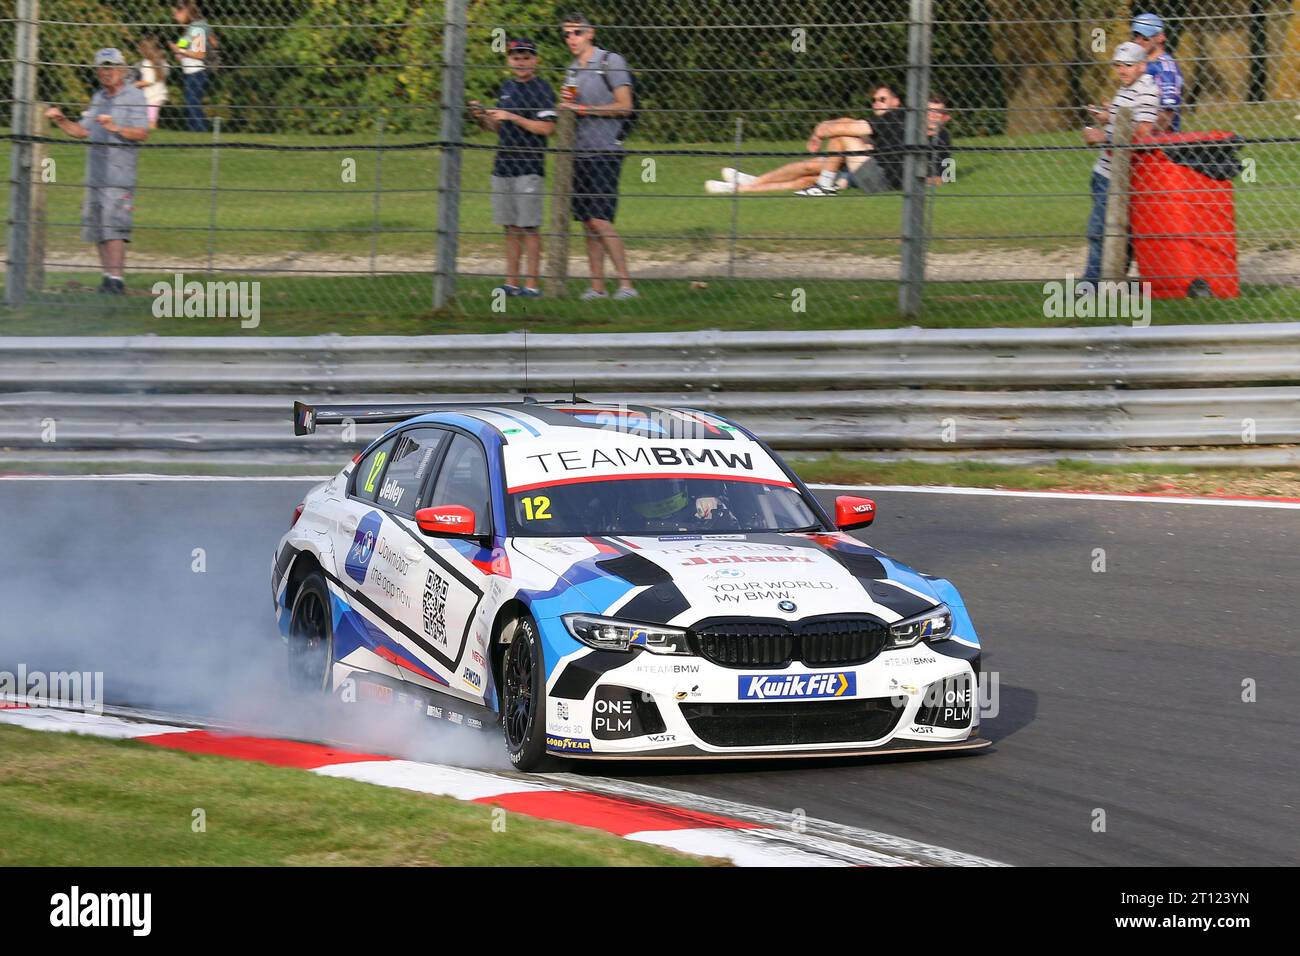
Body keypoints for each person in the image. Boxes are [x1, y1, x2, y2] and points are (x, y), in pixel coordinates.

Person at [44, 49, 150, 295]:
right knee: (98, 228)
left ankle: (117, 280)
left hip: (119, 175)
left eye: (112, 67)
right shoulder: (98, 97)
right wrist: (61, 120)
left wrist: (115, 128)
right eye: (103, 67)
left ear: (123, 70)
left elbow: (142, 133)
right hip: (95, 175)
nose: (107, 72)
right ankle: (106, 279)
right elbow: (83, 131)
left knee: (115, 228)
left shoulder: (135, 96)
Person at [558, 13, 638, 300]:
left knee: (601, 219)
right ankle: (597, 287)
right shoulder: (570, 71)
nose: (571, 39)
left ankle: (627, 285)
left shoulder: (610, 62)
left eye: (577, 32)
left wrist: (582, 110)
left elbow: (624, 106)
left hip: (606, 151)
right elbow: (568, 106)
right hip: (578, 153)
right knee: (587, 223)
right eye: (566, 34)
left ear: (590, 32)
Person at [705, 84, 905, 197]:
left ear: (896, 102)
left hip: (880, 180)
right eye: (874, 100)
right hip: (870, 172)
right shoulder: (886, 123)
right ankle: (745, 187)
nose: (876, 103)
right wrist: (822, 129)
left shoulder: (894, 117)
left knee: (840, 137)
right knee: (807, 175)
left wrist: (819, 132)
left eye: (882, 99)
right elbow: (848, 122)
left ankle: (824, 188)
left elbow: (845, 129)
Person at [470, 38, 557, 297]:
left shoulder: (542, 89)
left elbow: (547, 128)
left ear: (535, 60)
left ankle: (531, 284)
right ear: (509, 60)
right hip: (503, 165)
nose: (521, 62)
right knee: (509, 226)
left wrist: (514, 117)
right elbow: (498, 129)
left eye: (526, 57)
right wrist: (482, 117)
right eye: (516, 58)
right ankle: (511, 282)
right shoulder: (506, 87)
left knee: (529, 227)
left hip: (529, 165)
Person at [1081, 41, 1158, 288]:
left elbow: (1143, 133)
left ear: (1142, 66)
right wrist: (1105, 116)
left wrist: (1103, 136)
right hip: (1106, 170)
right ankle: (1112, 282)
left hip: (1118, 175)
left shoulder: (1146, 91)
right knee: (1114, 230)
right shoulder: (1126, 88)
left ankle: (1091, 285)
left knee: (1099, 230)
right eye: (1118, 65)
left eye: (1128, 65)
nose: (1122, 70)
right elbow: (1123, 121)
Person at [1131, 12, 1183, 132]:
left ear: (1161, 37)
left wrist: (1141, 138)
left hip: (1158, 142)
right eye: (1136, 35)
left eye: (1145, 37)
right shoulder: (1137, 64)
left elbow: (1167, 114)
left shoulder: (1165, 68)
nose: (1139, 41)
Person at [170, 2, 212, 132]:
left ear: (185, 11)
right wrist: (177, 51)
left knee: (192, 104)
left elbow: (199, 54)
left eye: (176, 13)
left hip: (197, 72)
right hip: (189, 73)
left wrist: (180, 51)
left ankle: (200, 131)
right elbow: (181, 52)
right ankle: (197, 132)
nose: (174, 16)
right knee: (191, 104)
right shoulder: (187, 29)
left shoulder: (197, 28)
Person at [134, 37, 169, 129]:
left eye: (139, 48)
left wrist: (135, 84)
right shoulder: (162, 61)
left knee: (151, 120)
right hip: (159, 94)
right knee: (152, 117)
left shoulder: (147, 63)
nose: (138, 50)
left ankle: (153, 133)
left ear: (145, 50)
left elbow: (148, 81)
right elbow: (166, 73)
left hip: (151, 97)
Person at [926, 94, 953, 185]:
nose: (933, 115)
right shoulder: (910, 134)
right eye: (929, 111)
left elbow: (947, 177)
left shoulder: (944, 137)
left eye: (938, 112)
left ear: (945, 117)